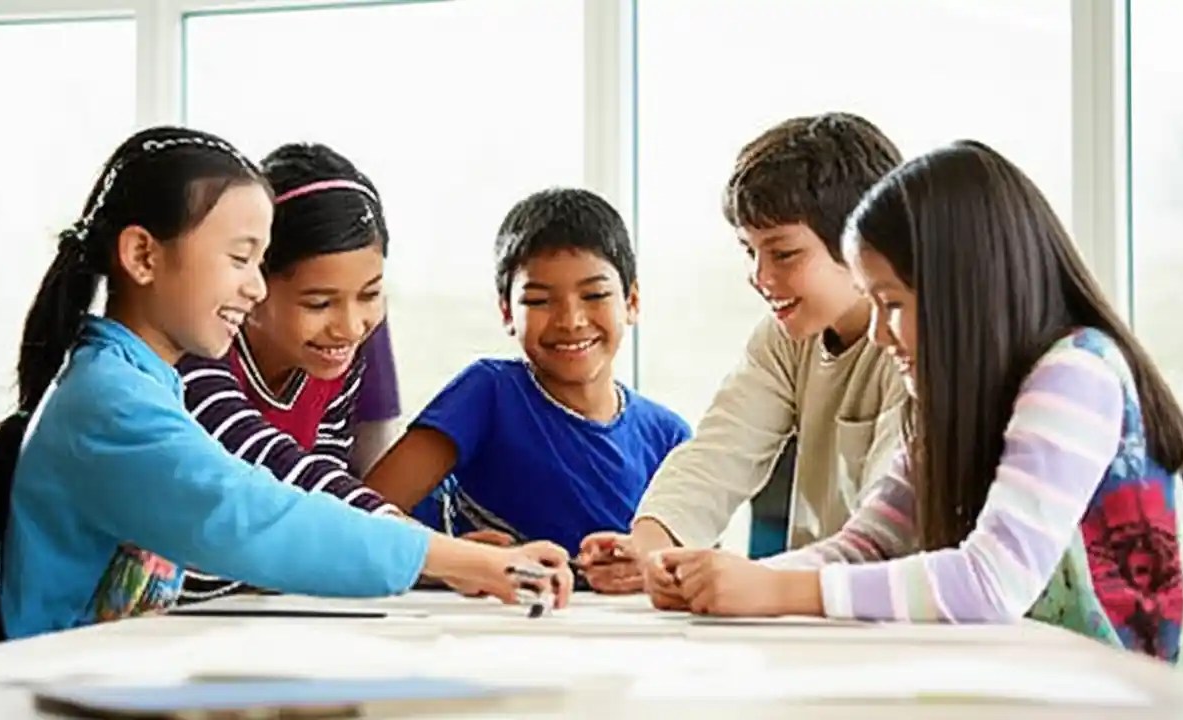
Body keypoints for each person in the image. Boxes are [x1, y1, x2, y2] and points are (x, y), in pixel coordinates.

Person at [0, 127, 570, 647]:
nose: (254, 289)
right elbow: (250, 514)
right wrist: (460, 560)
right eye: (240, 258)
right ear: (143, 256)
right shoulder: (110, 402)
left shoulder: (136, 382)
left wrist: (445, 564)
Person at [658, 140, 1183, 671]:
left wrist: (776, 588)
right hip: (1017, 684)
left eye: (890, 303)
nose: (876, 333)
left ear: (962, 288)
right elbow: (867, 544)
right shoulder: (955, 402)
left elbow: (991, 582)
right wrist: (724, 580)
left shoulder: (1076, 374)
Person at [579, 113, 907, 602]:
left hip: (887, 608)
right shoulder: (784, 338)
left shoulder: (913, 350)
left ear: (861, 242)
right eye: (749, 251)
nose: (759, 276)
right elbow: (719, 451)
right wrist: (647, 548)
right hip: (814, 610)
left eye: (784, 253)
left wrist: (761, 582)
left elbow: (887, 531)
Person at [366, 188, 690, 556]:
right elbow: (365, 514)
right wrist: (455, 560)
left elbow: (691, 565)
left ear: (631, 302)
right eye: (538, 301)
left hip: (614, 615)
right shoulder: (488, 393)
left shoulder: (669, 438)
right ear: (506, 312)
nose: (570, 321)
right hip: (489, 611)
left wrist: (645, 570)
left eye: (595, 295)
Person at [176, 142, 407, 601]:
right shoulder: (196, 351)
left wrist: (431, 560)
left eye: (370, 294)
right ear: (253, 281)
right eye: (319, 303)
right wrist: (423, 551)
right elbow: (277, 468)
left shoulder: (338, 354)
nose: (350, 326)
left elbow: (324, 487)